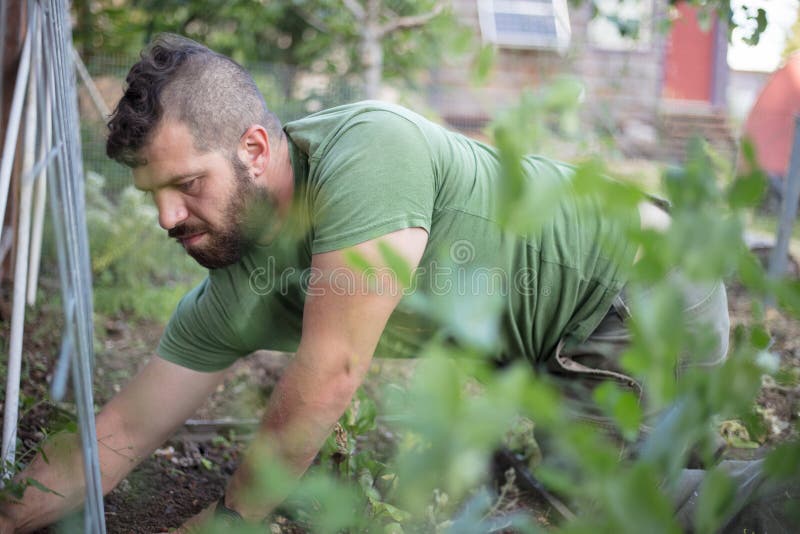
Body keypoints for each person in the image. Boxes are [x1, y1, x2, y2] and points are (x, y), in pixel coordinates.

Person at [0, 34, 738, 532]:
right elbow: (123, 431)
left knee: (610, 511)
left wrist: (229, 521)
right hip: (565, 336)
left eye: (186, 183)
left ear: (255, 148)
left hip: (639, 287)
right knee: (691, 498)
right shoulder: (231, 281)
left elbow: (329, 376)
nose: (167, 215)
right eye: (153, 193)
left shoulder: (367, 152)